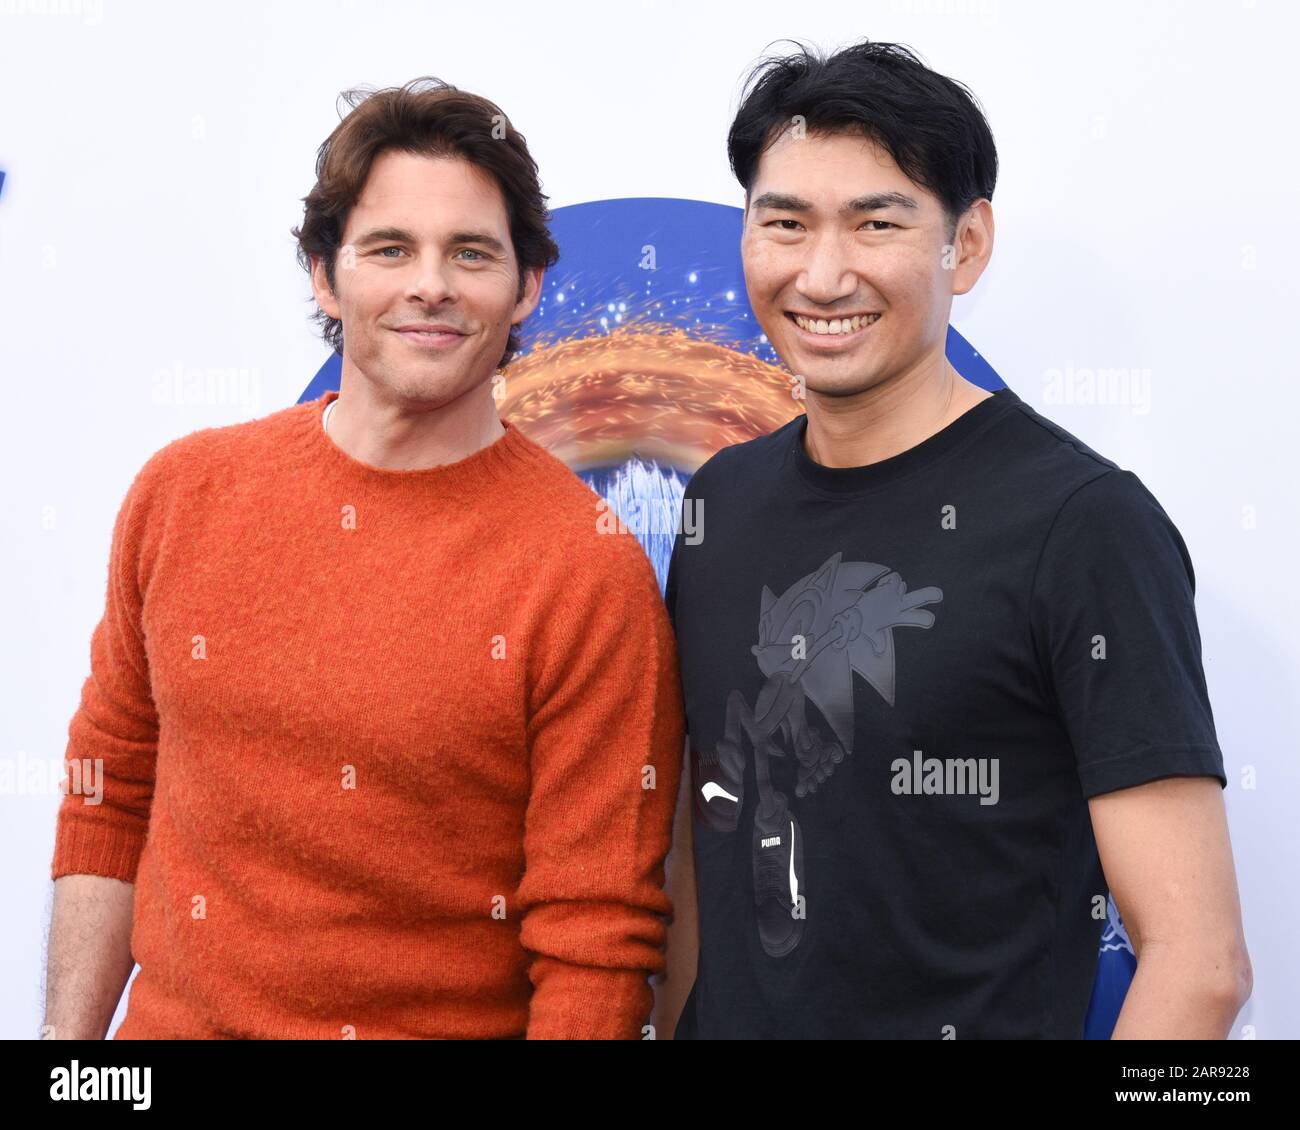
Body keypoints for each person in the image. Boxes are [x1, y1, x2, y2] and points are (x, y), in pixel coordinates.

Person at [44, 76, 683, 1040]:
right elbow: (109, 790)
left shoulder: (584, 571)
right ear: (325, 275)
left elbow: (597, 937)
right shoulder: (184, 494)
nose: (430, 283)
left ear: (526, 289)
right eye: (390, 249)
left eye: (471, 252)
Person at [664, 40, 1251, 1038]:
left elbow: (1203, 966)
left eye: (875, 222)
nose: (822, 271)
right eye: (785, 223)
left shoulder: (1083, 523)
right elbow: (696, 858)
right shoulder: (721, 500)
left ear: (964, 245)